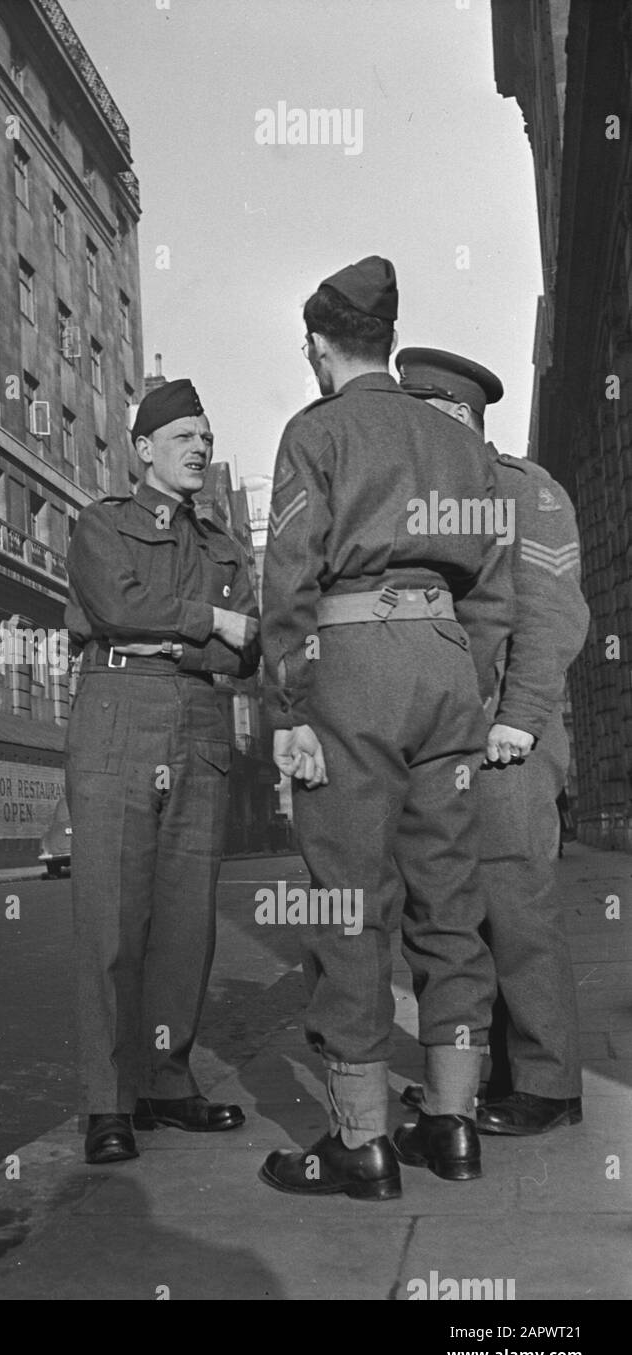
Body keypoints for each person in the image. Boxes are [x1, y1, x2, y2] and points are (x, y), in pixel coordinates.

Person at [258, 257, 514, 1200]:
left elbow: (286, 576)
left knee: (346, 903)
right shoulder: (455, 444)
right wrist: (468, 681)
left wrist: (287, 708)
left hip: (353, 676)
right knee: (449, 898)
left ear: (320, 347)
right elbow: (492, 586)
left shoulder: (315, 431)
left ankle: (360, 1142)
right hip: (444, 669)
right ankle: (450, 1126)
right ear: (390, 339)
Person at [64, 377, 260, 1164]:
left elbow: (250, 647)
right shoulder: (101, 524)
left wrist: (178, 634)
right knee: (112, 915)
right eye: (185, 438)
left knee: (185, 921)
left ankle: (167, 1082)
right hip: (118, 712)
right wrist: (207, 621)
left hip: (200, 719)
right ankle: (108, 1103)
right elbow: (115, 607)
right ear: (144, 450)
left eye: (206, 439)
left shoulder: (221, 544)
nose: (200, 450)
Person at [396, 346, 587, 1136]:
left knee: (518, 908)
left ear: (456, 416)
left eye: (420, 416)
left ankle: (547, 1085)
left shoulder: (522, 490)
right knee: (455, 917)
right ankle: (474, 1079)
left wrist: (519, 717)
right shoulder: (425, 500)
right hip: (442, 740)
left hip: (508, 739)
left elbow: (549, 616)